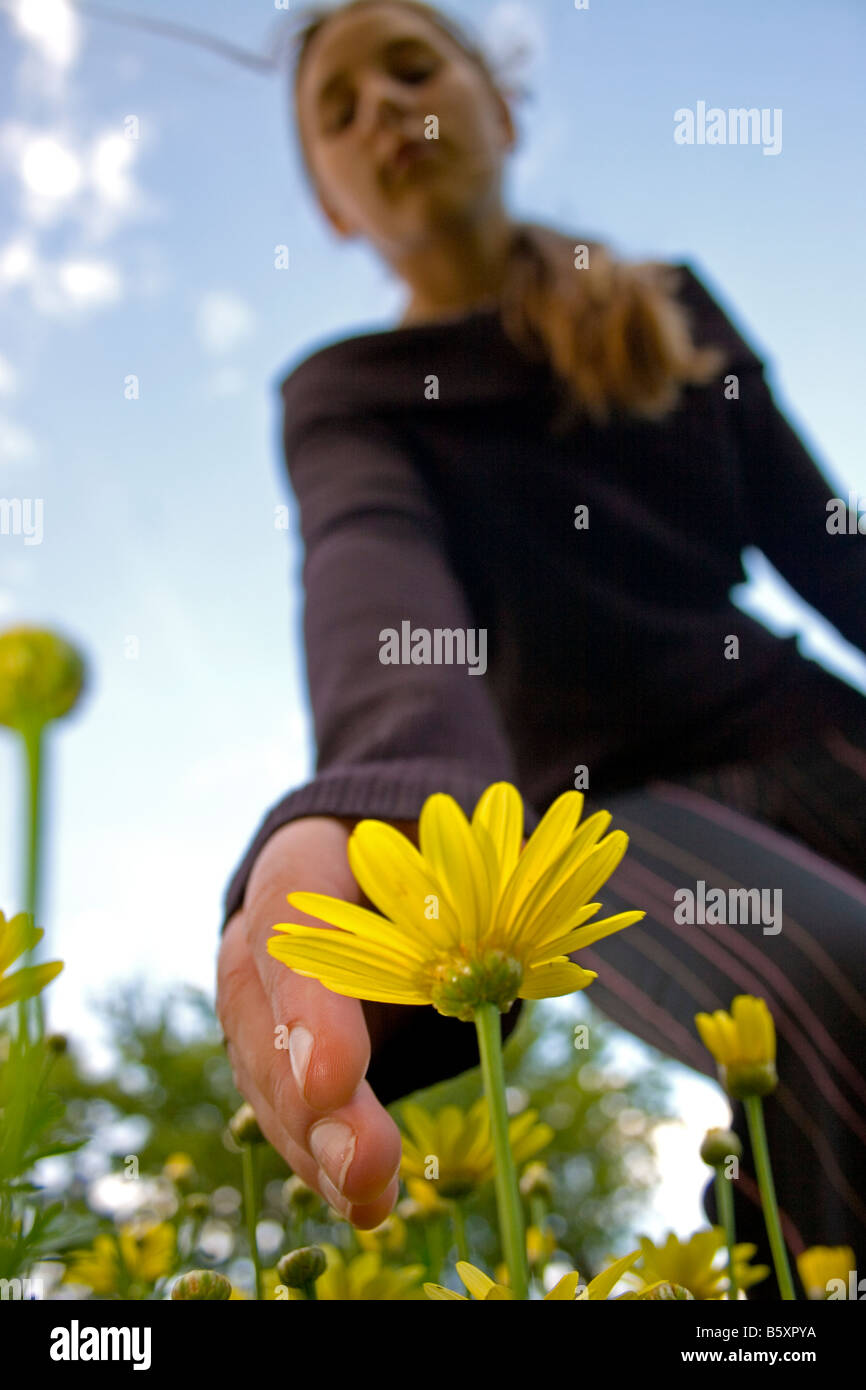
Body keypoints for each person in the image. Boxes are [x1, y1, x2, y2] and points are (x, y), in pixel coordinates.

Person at [215, 0, 866, 1287]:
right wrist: (369, 807)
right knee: (833, 986)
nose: (383, 110)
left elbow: (827, 541)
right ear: (333, 207)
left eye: (411, 67)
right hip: (589, 819)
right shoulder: (344, 396)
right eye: (335, 111)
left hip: (803, 719)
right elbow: (376, 587)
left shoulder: (671, 306)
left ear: (500, 106)